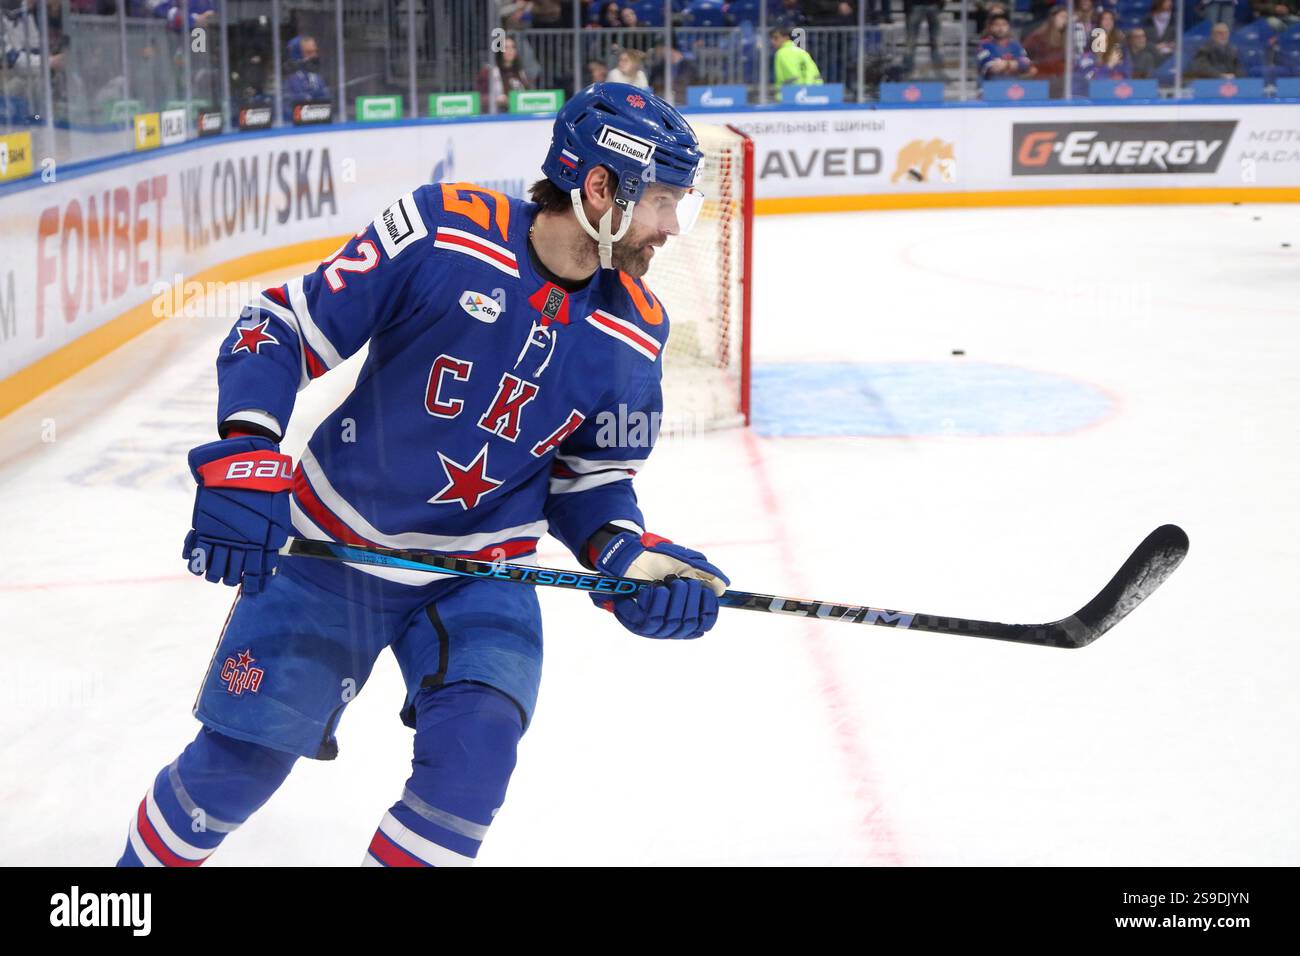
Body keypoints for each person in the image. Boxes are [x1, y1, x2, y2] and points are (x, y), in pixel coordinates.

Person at [114, 82, 729, 868]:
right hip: (332, 553)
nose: (673, 227)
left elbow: (590, 484)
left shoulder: (637, 327)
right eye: (663, 201)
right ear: (601, 187)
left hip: (480, 575)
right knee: (228, 779)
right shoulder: (441, 233)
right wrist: (247, 446)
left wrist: (629, 557)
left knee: (472, 769)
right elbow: (277, 329)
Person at [477, 33, 530, 112]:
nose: (510, 50)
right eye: (506, 47)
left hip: (520, 115)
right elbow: (479, 98)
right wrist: (496, 99)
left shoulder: (520, 72)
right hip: (499, 117)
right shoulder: (488, 72)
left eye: (513, 47)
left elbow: (528, 93)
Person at [283, 35, 330, 120]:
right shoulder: (289, 82)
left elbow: (327, 101)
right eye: (309, 52)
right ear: (297, 56)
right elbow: (289, 111)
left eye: (315, 51)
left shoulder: (318, 78)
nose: (314, 56)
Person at [1024, 5, 1068, 95]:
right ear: (1052, 18)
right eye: (1062, 17)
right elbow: (1024, 52)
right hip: (1042, 79)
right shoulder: (1039, 36)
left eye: (1067, 18)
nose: (1065, 20)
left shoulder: (1067, 37)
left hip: (1061, 80)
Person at [977, 13, 1037, 80]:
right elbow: (992, 67)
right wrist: (1015, 65)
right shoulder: (984, 45)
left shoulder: (1016, 45)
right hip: (990, 85)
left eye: (1004, 24)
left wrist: (1006, 64)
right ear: (990, 28)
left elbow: (1026, 64)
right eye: (996, 25)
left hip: (1012, 85)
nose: (1001, 28)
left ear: (1009, 27)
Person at [902, 0, 949, 81]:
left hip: (917, 5)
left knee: (911, 41)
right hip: (931, 5)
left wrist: (907, 6)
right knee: (936, 41)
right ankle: (939, 72)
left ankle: (907, 71)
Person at [771, 24, 824, 94]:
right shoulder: (801, 51)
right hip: (817, 91)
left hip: (795, 95)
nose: (773, 42)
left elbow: (793, 77)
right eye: (771, 39)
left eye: (776, 38)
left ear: (786, 38)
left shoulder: (782, 53)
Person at [1143, 0, 1177, 66]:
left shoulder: (1175, 19)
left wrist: (1172, 45)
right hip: (1151, 56)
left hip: (1170, 57)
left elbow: (1179, 39)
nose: (1170, 3)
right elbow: (1141, 41)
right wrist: (1156, 47)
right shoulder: (1147, 20)